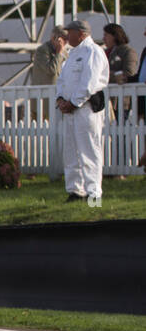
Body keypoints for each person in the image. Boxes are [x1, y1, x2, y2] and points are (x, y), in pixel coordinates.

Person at [54, 18, 108, 203]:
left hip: (86, 108)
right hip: (71, 109)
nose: (67, 35)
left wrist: (74, 102)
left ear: (81, 34)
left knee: (89, 150)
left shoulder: (93, 52)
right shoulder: (73, 54)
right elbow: (62, 80)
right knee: (71, 151)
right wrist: (61, 99)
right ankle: (76, 191)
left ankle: (94, 194)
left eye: (71, 32)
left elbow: (89, 83)